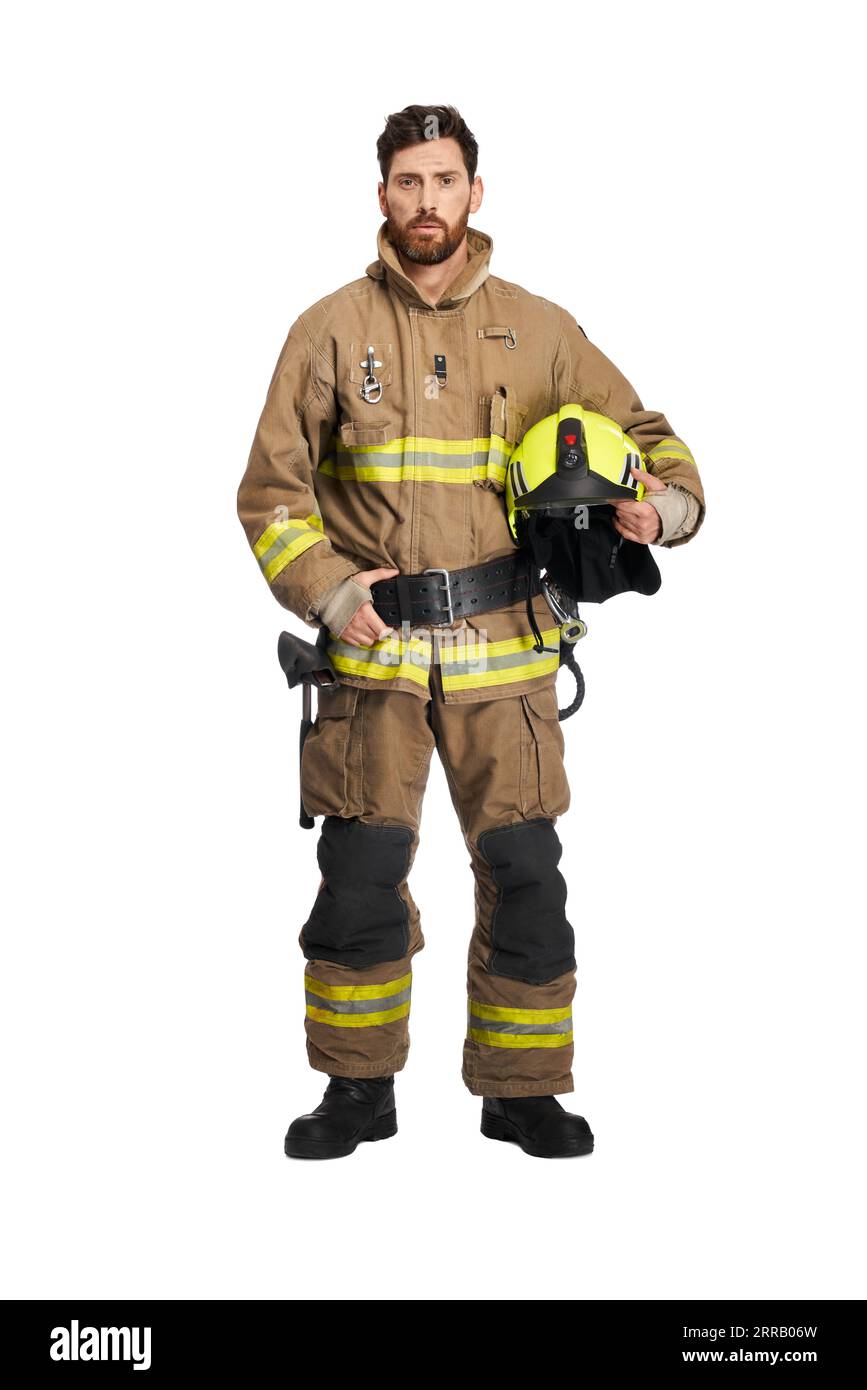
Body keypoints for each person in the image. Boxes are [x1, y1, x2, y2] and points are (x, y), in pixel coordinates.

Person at [237, 104, 705, 1160]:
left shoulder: (537, 327)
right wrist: (326, 592)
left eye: (444, 180)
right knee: (360, 877)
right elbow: (270, 497)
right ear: (383, 197)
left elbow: (653, 443)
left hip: (507, 657)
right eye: (407, 182)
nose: (426, 201)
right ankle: (357, 1091)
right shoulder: (327, 331)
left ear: (474, 193)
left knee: (527, 872)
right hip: (372, 659)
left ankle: (523, 1090)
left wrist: (658, 509)